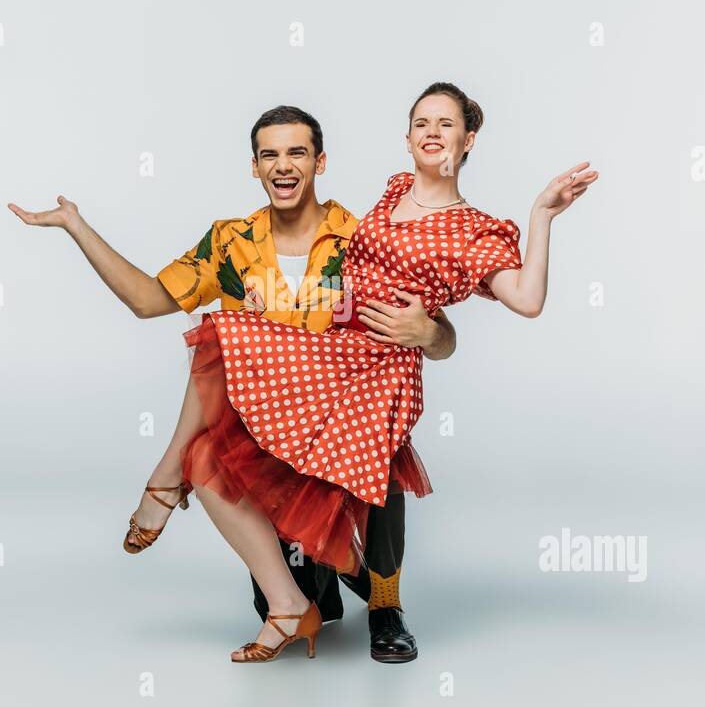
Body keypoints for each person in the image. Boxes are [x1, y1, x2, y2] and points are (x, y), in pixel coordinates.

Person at [149, 81, 598, 662]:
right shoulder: (390, 195)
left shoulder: (474, 230)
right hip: (331, 347)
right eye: (421, 123)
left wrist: (541, 216)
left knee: (375, 464)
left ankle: (385, 607)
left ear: (468, 141)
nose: (432, 133)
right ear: (408, 140)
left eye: (445, 124)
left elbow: (527, 299)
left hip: (382, 364)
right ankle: (317, 585)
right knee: (228, 352)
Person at [8, 105, 456, 662]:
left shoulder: (362, 238)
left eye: (296, 152)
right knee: (209, 417)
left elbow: (441, 339)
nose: (283, 166)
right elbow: (148, 300)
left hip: (341, 431)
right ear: (255, 167)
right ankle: (293, 598)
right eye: (270, 154)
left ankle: (385, 604)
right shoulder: (230, 243)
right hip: (269, 436)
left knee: (383, 444)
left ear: (320, 162)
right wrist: (77, 226)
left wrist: (428, 333)